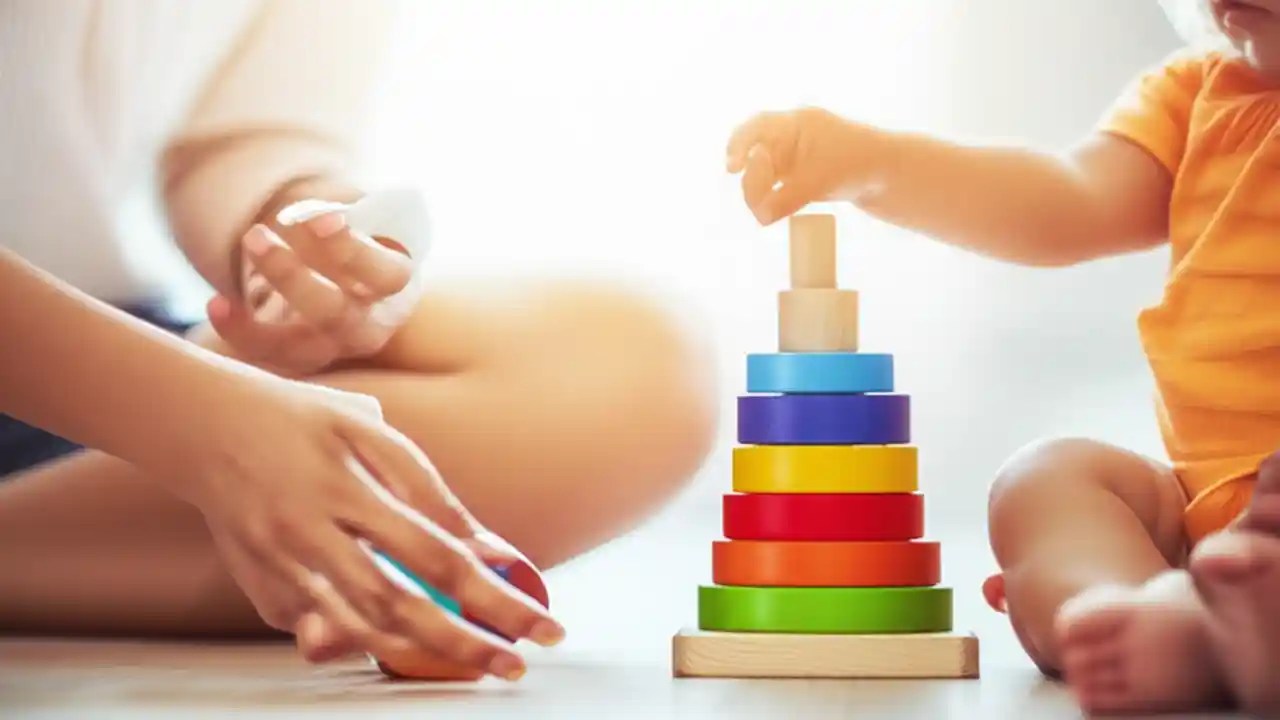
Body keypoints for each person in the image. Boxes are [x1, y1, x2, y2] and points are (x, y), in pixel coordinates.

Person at [0, 0, 717, 679]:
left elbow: (245, 134)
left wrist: (315, 245)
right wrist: (195, 423)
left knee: (638, 373)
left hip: (112, 339)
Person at [724, 0, 1280, 713]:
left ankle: (1226, 626)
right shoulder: (1196, 95)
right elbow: (1063, 199)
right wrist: (872, 165)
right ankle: (1149, 613)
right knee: (1046, 479)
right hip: (1202, 521)